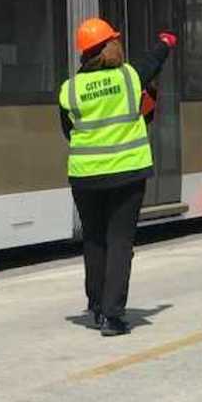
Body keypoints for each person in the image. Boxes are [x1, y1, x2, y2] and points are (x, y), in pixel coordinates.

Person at [58, 17, 176, 336]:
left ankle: (96, 308)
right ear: (112, 44)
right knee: (120, 242)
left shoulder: (69, 89)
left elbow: (69, 132)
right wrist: (166, 42)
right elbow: (153, 61)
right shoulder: (129, 78)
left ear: (83, 53)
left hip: (85, 178)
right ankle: (113, 316)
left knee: (94, 241)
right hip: (126, 173)